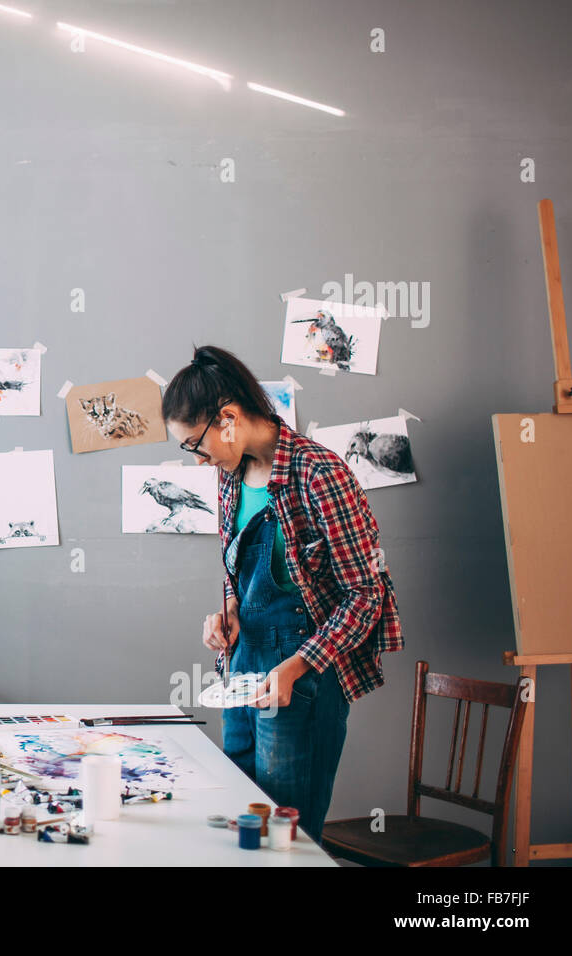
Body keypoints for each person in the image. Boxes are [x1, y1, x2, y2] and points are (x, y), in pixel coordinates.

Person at [162, 345, 403, 844]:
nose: (197, 458)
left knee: (287, 839)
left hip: (302, 675)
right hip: (244, 667)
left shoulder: (321, 474)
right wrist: (228, 612)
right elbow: (251, 577)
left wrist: (297, 665)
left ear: (227, 419)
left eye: (193, 444)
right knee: (243, 825)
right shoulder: (231, 479)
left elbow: (365, 594)